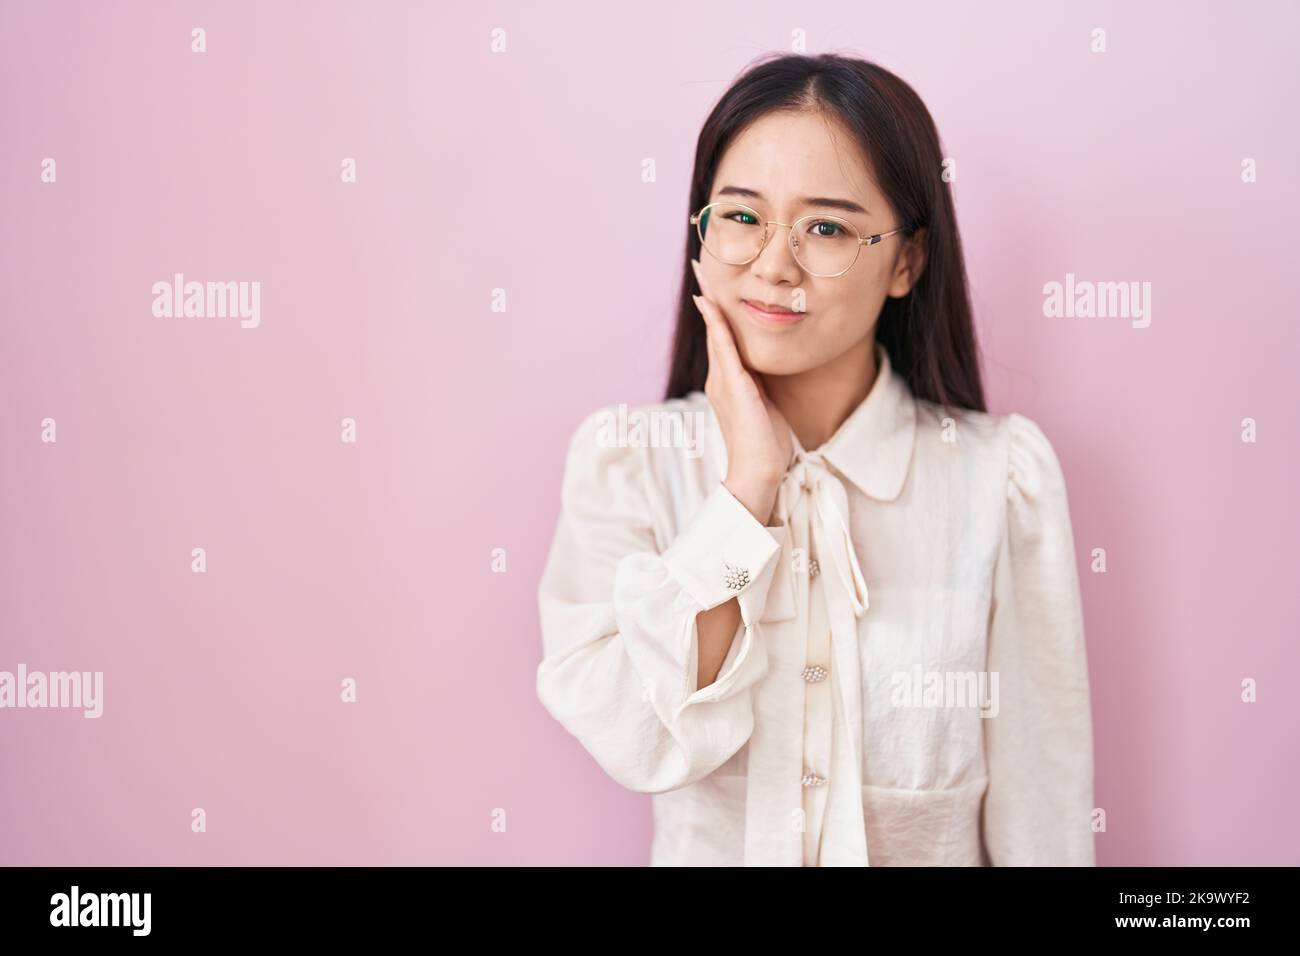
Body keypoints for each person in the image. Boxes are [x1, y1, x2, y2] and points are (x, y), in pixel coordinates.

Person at [535, 52, 1096, 866]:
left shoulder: (999, 480)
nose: (773, 264)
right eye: (740, 216)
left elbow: (1043, 811)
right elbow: (637, 737)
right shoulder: (626, 463)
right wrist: (745, 493)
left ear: (906, 261)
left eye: (826, 227)